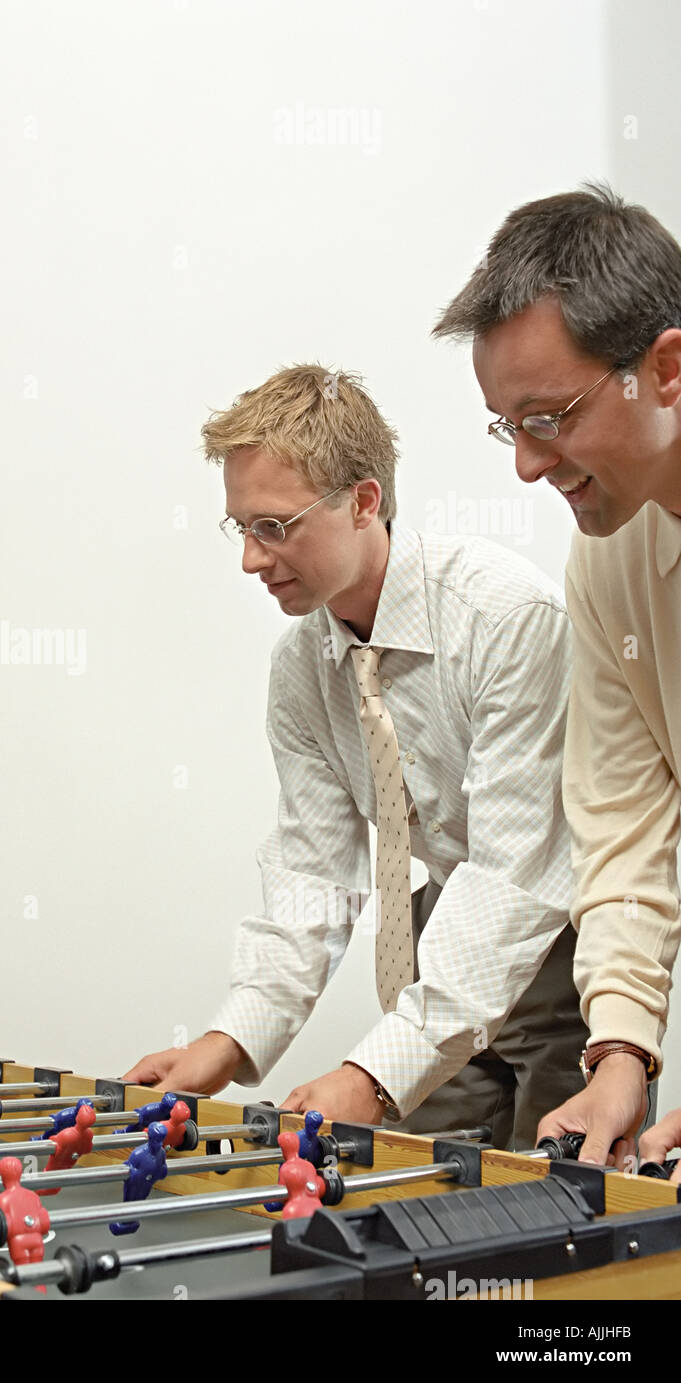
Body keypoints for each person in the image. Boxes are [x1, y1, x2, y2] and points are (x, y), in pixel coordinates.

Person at [125, 365, 584, 1147]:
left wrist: (371, 1075)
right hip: (443, 936)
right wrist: (227, 1042)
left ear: (363, 502)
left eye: (274, 526)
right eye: (239, 527)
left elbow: (514, 875)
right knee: (421, 1198)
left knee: (560, 1216)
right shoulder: (301, 669)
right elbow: (314, 873)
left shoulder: (506, 616)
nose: (249, 559)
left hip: (564, 934)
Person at [432, 184, 681, 1171]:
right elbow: (623, 820)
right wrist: (619, 1049)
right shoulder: (609, 565)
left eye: (549, 418)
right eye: (507, 427)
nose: (528, 466)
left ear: (664, 370)